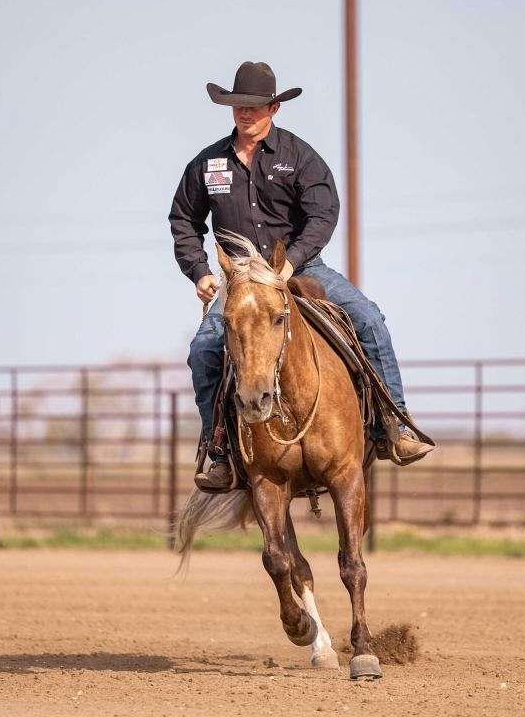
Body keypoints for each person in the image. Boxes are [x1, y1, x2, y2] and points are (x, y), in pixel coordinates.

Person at [169, 61, 434, 490]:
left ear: (273, 107)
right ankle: (217, 446)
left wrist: (292, 260)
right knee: (203, 348)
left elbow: (323, 214)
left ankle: (395, 423)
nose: (245, 113)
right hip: (241, 281)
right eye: (238, 105)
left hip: (302, 267)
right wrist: (199, 272)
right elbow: (184, 219)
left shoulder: (299, 156)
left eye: (255, 106)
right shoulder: (208, 164)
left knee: (367, 317)